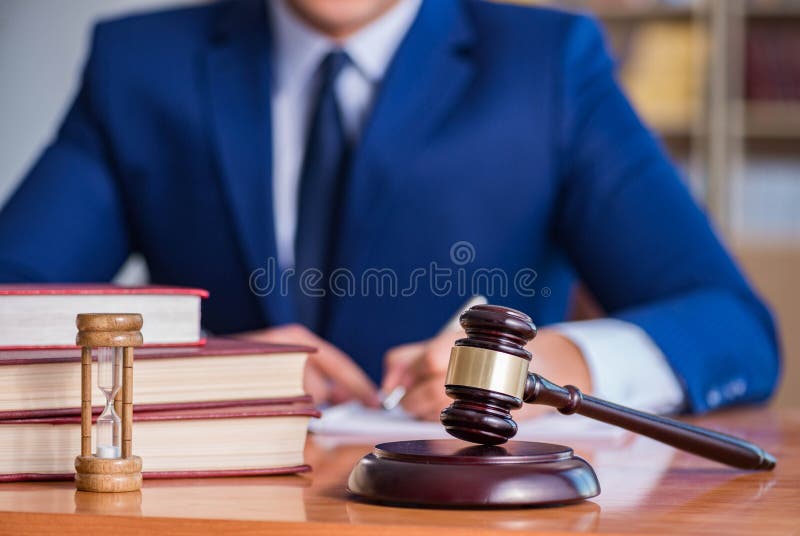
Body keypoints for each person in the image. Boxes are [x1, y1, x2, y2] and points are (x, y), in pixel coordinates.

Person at [0, 0, 780, 421]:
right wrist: (203, 372)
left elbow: (734, 326)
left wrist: (554, 372)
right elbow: (10, 297)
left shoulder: (550, 65)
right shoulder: (140, 66)